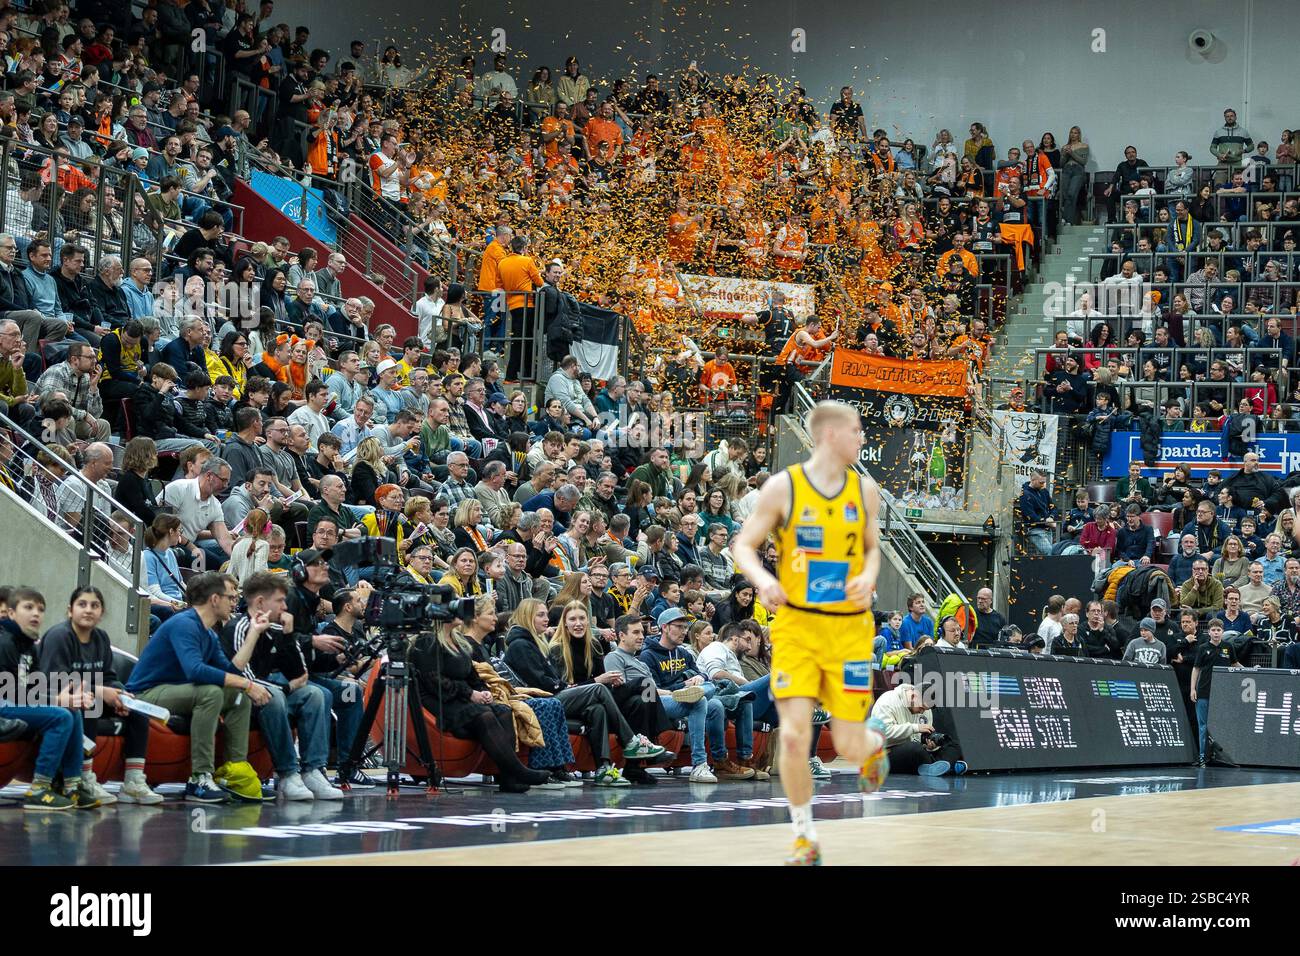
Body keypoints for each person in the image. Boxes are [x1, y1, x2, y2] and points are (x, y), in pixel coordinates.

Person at [732, 399, 888, 866]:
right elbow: (744, 543)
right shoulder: (784, 487)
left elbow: (873, 548)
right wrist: (763, 580)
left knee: (846, 743)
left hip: (849, 632)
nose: (862, 438)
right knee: (796, 736)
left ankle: (873, 748)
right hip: (797, 625)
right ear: (829, 435)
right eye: (856, 431)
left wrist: (869, 575)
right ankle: (804, 836)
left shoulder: (865, 491)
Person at [125, 571, 272, 803]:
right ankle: (199, 777)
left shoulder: (208, 633)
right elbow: (195, 670)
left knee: (238, 696)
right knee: (212, 692)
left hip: (178, 693)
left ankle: (235, 772)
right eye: (231, 598)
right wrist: (246, 683)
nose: (235, 603)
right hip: (145, 695)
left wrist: (254, 633)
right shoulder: (184, 624)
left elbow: (231, 673)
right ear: (215, 599)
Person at [504, 599, 667, 786]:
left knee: (635, 701)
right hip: (558, 698)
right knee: (643, 684)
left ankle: (610, 768)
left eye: (582, 618)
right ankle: (637, 740)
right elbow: (549, 683)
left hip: (593, 697)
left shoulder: (595, 646)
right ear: (622, 635)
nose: (578, 623)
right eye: (573, 619)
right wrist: (591, 682)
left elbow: (594, 684)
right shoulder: (551, 647)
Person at [220, 571, 343, 801]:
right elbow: (244, 677)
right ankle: (287, 774)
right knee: (274, 694)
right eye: (279, 600)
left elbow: (300, 674)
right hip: (241, 698)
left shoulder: (277, 629)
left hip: (268, 694)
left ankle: (313, 771)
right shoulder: (237, 627)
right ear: (259, 602)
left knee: (314, 694)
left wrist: (287, 635)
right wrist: (285, 689)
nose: (285, 606)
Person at [409, 616, 554, 794]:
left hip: (461, 698)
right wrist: (470, 693)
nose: (462, 611)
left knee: (503, 711)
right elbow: (434, 681)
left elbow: (472, 675)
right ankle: (518, 770)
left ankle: (508, 779)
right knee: (483, 715)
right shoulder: (426, 641)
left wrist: (483, 690)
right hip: (439, 700)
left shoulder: (458, 640)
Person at [0, 586, 99, 809]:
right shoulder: (4, 642)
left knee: (71, 711)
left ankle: (72, 786)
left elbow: (37, 687)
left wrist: (66, 696)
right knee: (60, 716)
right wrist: (56, 701)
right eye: (28, 607)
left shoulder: (28, 645)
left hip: (14, 703)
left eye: (41, 609)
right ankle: (39, 788)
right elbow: (8, 691)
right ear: (12, 613)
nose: (36, 613)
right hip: (3, 705)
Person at [869, 682, 965, 776]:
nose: (922, 711)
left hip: (915, 752)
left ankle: (936, 767)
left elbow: (919, 738)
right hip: (886, 752)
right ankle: (947, 767)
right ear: (913, 696)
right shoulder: (887, 701)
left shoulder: (924, 709)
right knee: (915, 749)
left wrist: (929, 746)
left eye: (925, 709)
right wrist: (915, 727)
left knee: (953, 744)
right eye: (921, 707)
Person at [1190, 619, 1243, 766]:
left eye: (1218, 630)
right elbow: (1196, 669)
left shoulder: (1228, 647)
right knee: (1203, 726)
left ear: (1222, 631)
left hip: (1223, 693)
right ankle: (1202, 756)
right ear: (1209, 632)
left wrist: (1249, 671)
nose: (1216, 633)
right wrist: (1193, 689)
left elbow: (1235, 664)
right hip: (1204, 691)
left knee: (1224, 724)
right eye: (1213, 630)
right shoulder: (1202, 648)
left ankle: (1224, 757)